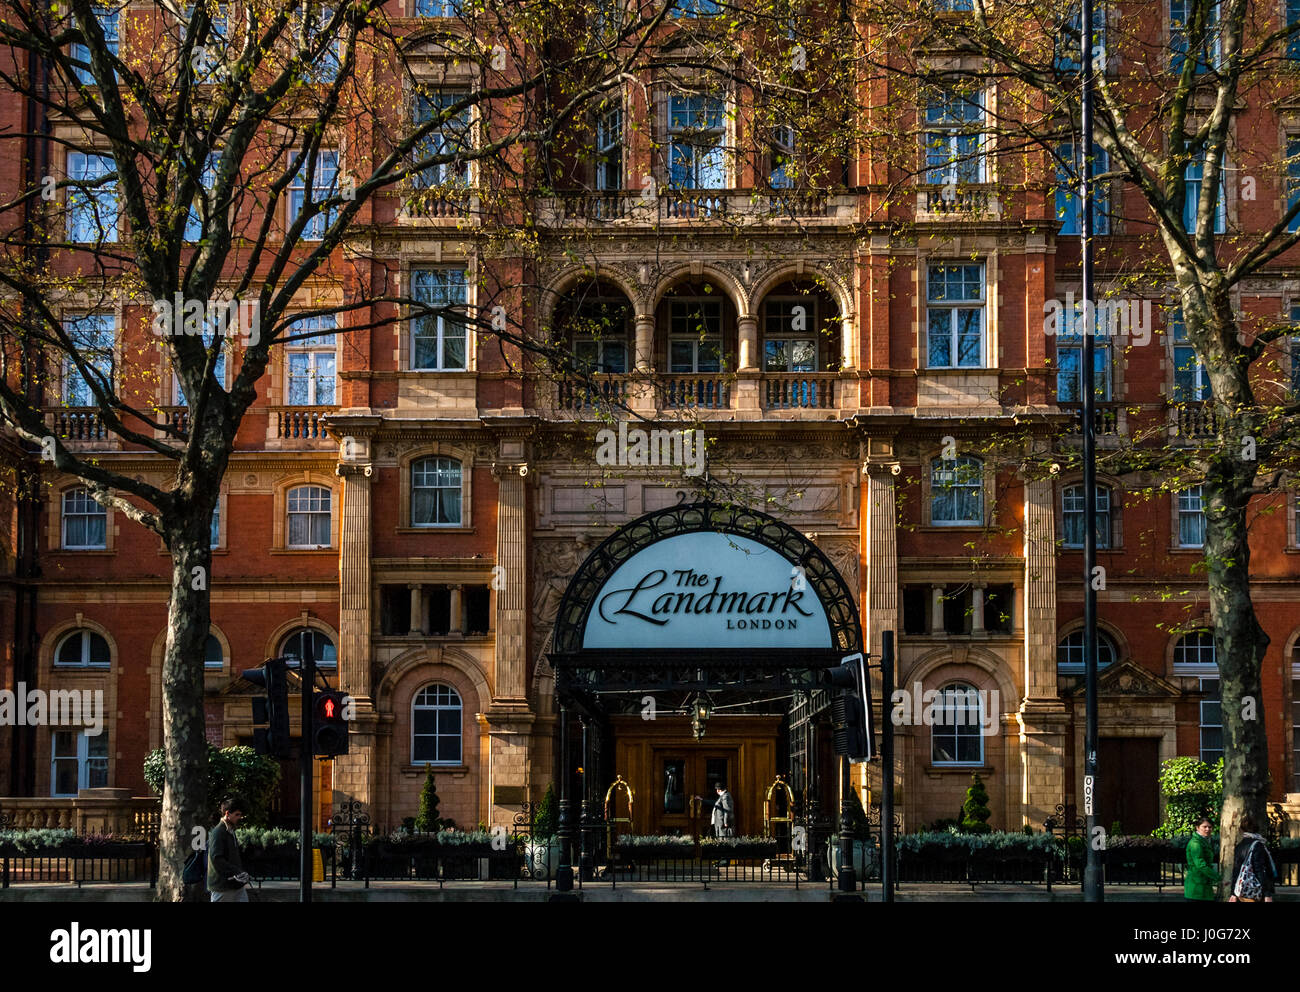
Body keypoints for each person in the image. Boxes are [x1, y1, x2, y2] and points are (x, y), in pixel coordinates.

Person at [208, 796, 252, 902]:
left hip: (236, 885)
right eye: (237, 814)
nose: (239, 817)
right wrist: (236, 872)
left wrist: (240, 872)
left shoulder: (230, 831)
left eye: (240, 815)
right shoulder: (218, 832)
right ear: (227, 814)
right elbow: (216, 859)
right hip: (222, 887)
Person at [1227, 813, 1276, 903]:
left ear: (1242, 829)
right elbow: (1259, 870)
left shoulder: (1239, 845)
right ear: (1257, 828)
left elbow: (1236, 870)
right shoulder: (1258, 845)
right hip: (1255, 890)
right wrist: (1267, 894)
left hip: (1242, 891)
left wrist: (1233, 893)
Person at [1184, 816, 1217, 901]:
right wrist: (1218, 878)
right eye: (1204, 827)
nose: (1207, 829)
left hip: (1203, 885)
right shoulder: (1196, 843)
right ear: (1197, 828)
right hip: (1196, 887)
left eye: (1210, 827)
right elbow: (1201, 865)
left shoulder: (1204, 841)